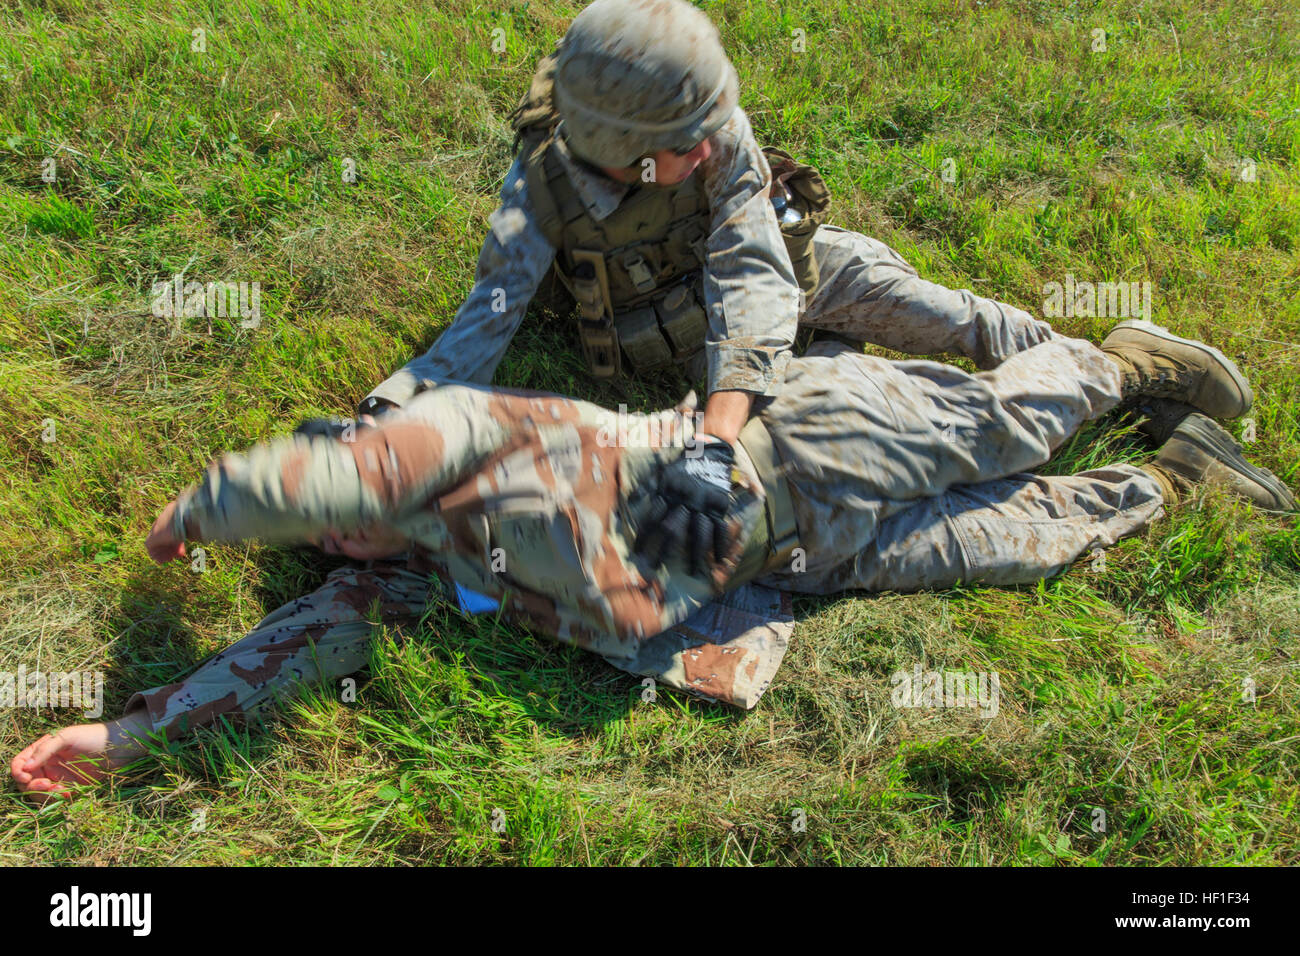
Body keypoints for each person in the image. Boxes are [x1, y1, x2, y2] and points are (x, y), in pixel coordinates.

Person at [10, 328, 1291, 798]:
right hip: (797, 558)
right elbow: (292, 650)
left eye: (343, 500)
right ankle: (1176, 476)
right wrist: (138, 734)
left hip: (808, 441)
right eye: (328, 533)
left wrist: (208, 504)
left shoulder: (473, 440)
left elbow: (345, 470)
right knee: (1013, 544)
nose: (344, 532)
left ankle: (1119, 363)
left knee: (1001, 423)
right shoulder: (401, 572)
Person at [349, 0, 1254, 573]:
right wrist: (385, 422)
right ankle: (1102, 396)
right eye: (685, 143)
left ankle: (1126, 375)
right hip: (665, 335)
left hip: (788, 286)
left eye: (711, 124)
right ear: (622, 149)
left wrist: (715, 438)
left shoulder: (710, 125)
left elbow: (751, 267)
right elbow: (477, 333)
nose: (714, 147)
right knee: (892, 436)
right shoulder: (540, 196)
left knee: (948, 317)